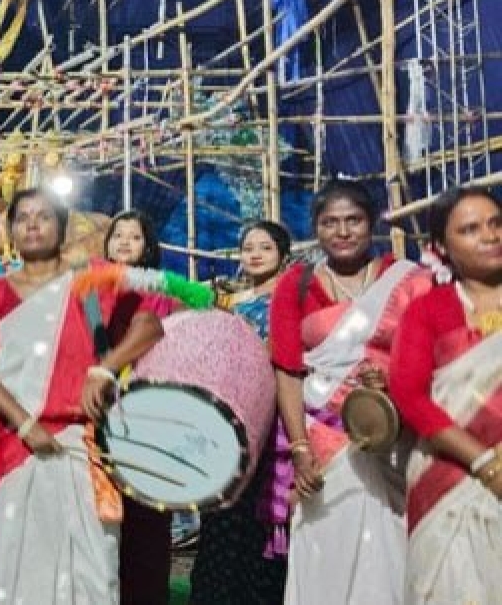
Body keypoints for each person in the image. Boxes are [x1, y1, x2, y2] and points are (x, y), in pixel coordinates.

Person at [0, 188, 165, 604]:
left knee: (92, 568)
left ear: (61, 227)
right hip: (16, 445)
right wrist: (24, 423)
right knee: (17, 565)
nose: (33, 225)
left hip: (81, 442)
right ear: (10, 231)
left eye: (43, 216)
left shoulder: (92, 279)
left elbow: (149, 326)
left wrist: (104, 369)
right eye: (23, 218)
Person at [269, 179, 429, 605]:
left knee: (392, 546)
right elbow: (287, 370)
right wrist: (299, 447)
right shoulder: (296, 285)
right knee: (325, 546)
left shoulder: (408, 280)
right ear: (316, 228)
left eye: (353, 220)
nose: (342, 231)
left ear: (372, 223)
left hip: (394, 436)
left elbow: (429, 357)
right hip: (323, 436)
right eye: (330, 222)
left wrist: (391, 381)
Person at [390, 187, 502, 604]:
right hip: (450, 479)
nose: (490, 236)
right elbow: (409, 395)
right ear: (441, 246)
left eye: (496, 223)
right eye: (470, 229)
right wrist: (486, 463)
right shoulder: (428, 310)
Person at [190, 220, 292, 604]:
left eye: (265, 247)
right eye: (248, 248)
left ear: (283, 254)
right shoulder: (228, 303)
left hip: (272, 418)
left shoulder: (290, 300)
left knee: (260, 515)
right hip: (228, 419)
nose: (255, 254)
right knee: (221, 511)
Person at [102, 208, 175, 605]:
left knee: (147, 520)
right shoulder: (89, 289)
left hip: (148, 413)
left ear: (148, 246)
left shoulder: (164, 291)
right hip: (96, 409)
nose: (124, 242)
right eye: (118, 235)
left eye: (134, 236)